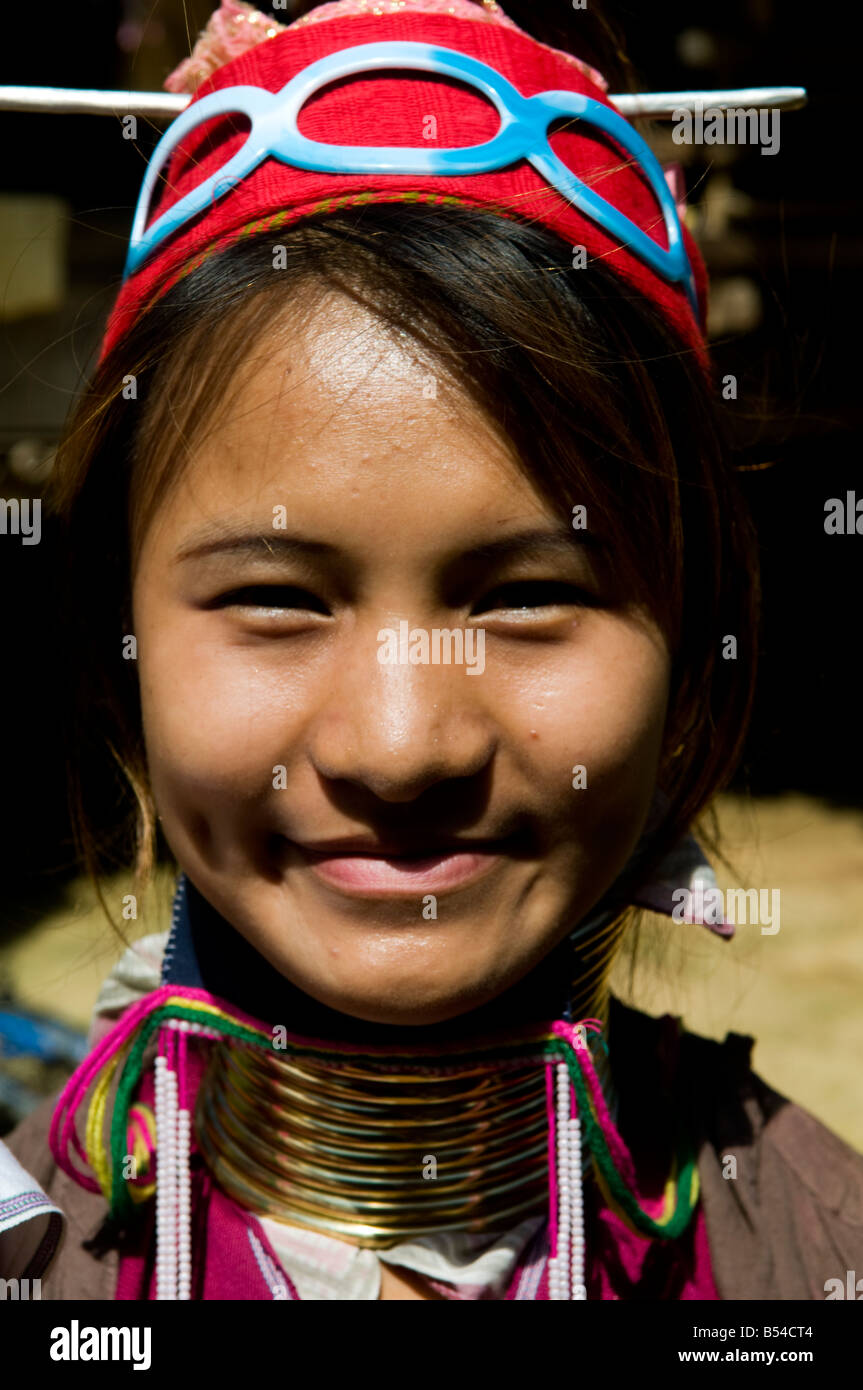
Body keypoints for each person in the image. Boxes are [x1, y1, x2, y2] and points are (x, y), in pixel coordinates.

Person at [3, 0, 861, 1301]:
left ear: (690, 663)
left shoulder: (814, 1252)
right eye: (278, 600)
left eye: (523, 595)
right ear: (125, 656)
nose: (401, 746)